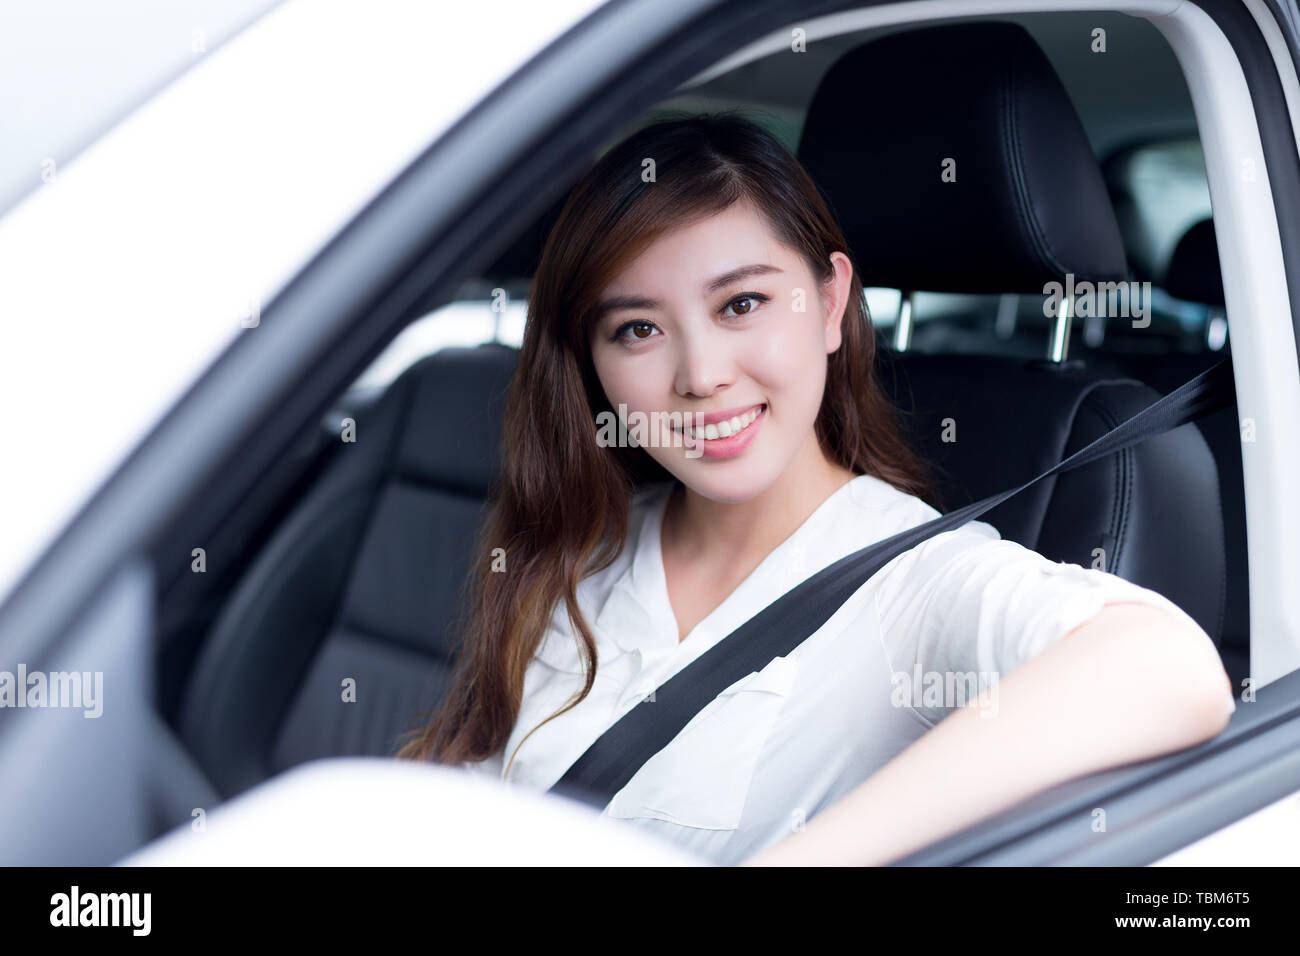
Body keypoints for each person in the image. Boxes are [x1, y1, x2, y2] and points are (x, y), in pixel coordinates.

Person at [394, 111, 1235, 866]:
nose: (701, 375)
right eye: (638, 328)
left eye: (742, 303)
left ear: (831, 302)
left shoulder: (913, 584)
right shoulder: (587, 546)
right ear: (592, 363)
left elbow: (1169, 669)